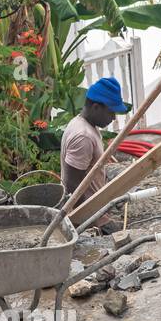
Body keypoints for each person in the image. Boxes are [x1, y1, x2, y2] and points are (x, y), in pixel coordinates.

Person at [60, 76, 130, 233]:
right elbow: (73, 186)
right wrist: (96, 220)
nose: (113, 118)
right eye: (111, 112)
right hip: (86, 218)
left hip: (94, 211)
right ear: (96, 107)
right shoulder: (83, 136)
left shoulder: (87, 125)